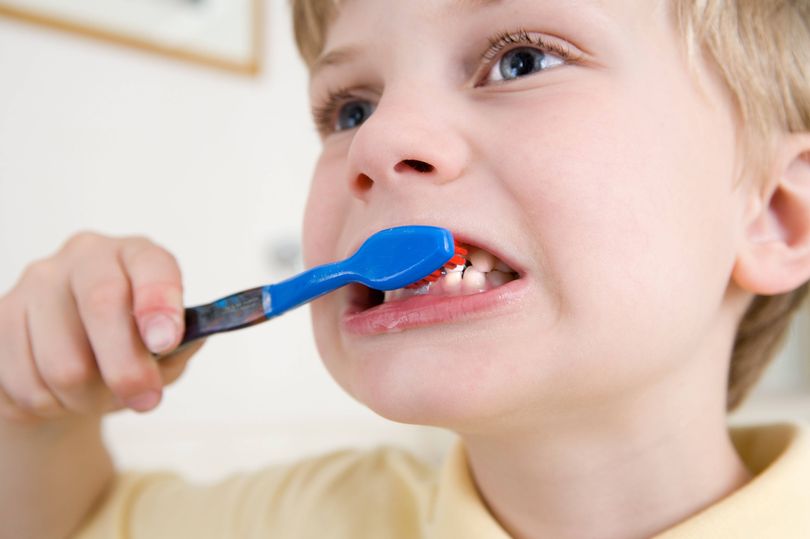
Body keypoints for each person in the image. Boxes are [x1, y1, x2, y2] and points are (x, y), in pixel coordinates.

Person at [2, 0, 810, 537]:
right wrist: (36, 413)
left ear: (775, 214)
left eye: (522, 60)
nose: (378, 141)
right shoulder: (306, 520)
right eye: (351, 107)